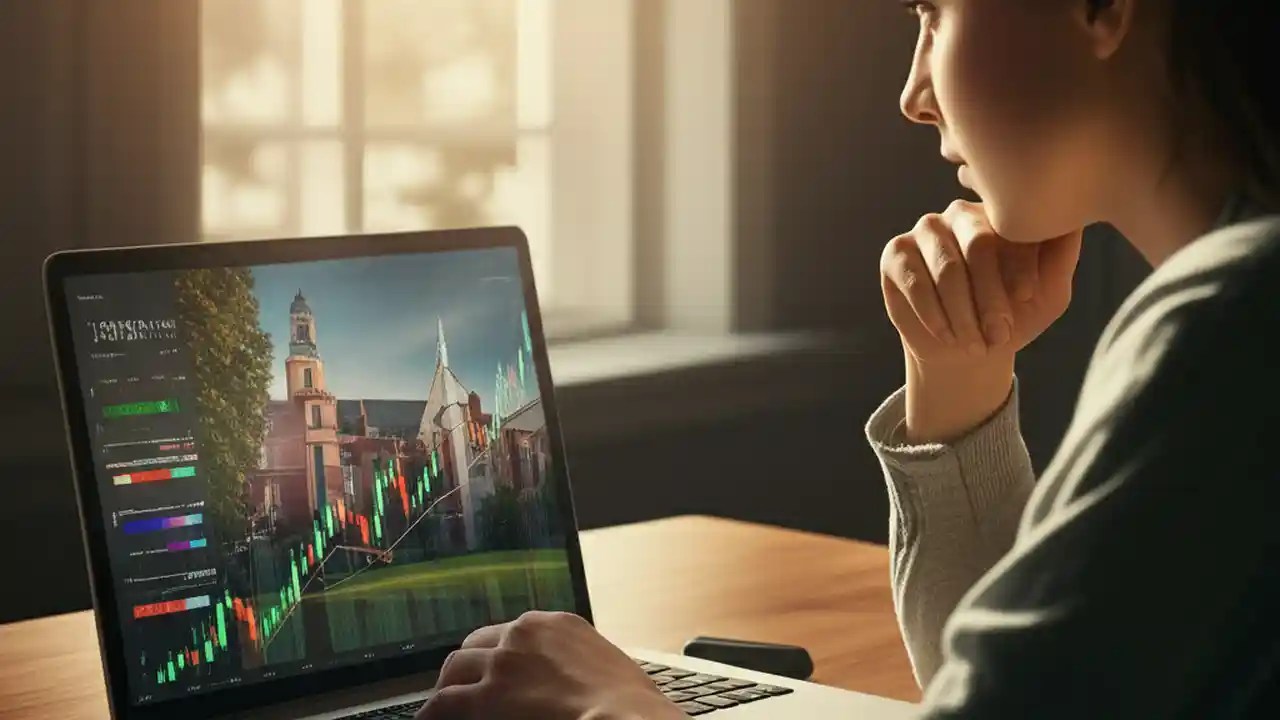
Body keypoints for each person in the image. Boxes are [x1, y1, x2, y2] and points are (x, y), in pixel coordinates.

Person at [415, 0, 1280, 717]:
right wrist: (958, 382)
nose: (912, 92)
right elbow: (1019, 691)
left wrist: (624, 709)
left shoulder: (1230, 329)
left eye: (936, 14)